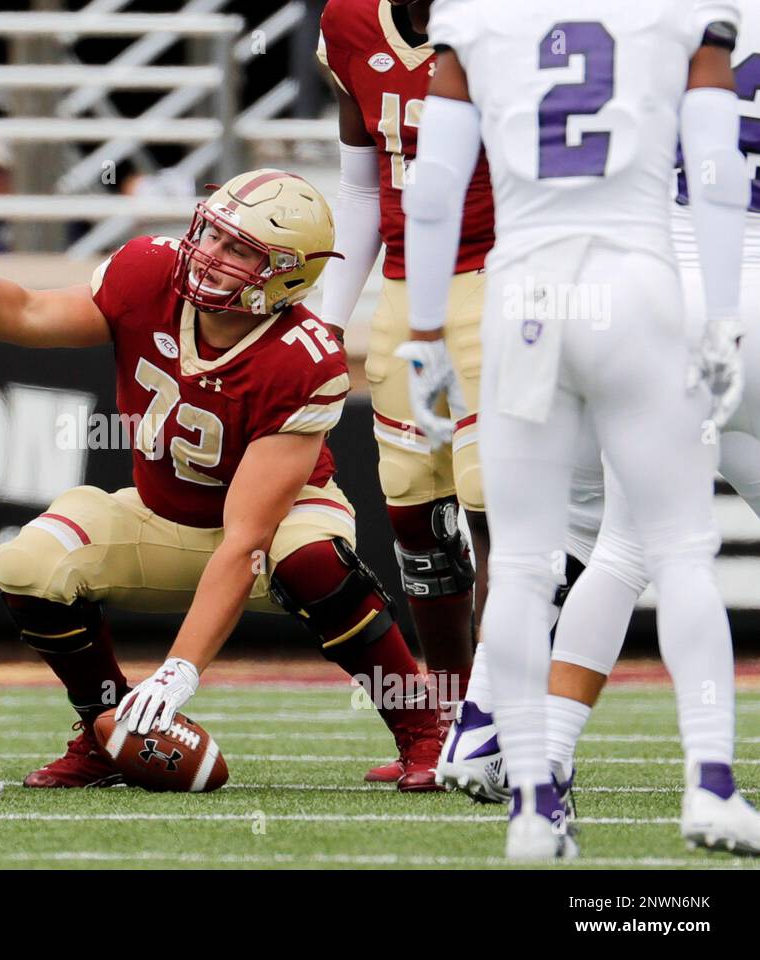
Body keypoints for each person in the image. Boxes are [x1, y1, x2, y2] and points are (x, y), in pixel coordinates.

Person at [0, 169, 445, 792]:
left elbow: (247, 539)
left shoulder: (304, 359)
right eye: (212, 235)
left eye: (239, 250)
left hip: (279, 527)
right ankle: (107, 729)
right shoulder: (147, 272)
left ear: (288, 274)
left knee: (312, 562)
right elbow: (30, 312)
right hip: (164, 517)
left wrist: (179, 671)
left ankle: (423, 733)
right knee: (26, 563)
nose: (211, 257)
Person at [401, 0, 750, 858]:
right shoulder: (682, 11)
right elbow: (714, 165)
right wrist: (720, 324)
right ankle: (711, 786)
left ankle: (530, 801)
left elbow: (437, 184)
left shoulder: (474, 17)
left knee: (522, 565)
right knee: (677, 551)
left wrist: (420, 330)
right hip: (637, 281)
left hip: (525, 293)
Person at [540, 0, 760, 856]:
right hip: (739, 288)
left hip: (648, 292)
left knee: (628, 550)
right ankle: (709, 787)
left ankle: (545, 762)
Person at [317, 0, 492, 785]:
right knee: (415, 515)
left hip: (502, 277)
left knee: (497, 513)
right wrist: (324, 324)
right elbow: (361, 191)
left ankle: (506, 725)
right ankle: (452, 720)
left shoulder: (513, 24)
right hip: (402, 289)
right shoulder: (348, 21)